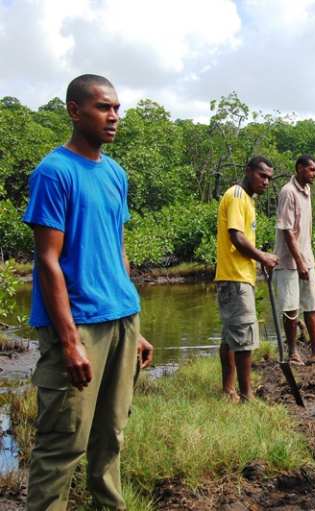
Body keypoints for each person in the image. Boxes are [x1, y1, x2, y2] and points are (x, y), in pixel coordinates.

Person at [22, 74, 154, 511]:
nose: (113, 116)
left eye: (116, 108)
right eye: (103, 107)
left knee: (111, 436)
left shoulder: (116, 174)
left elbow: (117, 250)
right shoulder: (54, 172)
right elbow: (48, 261)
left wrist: (134, 325)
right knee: (63, 444)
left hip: (121, 320)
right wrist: (69, 342)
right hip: (79, 326)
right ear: (74, 111)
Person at [214, 156, 279, 403]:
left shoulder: (248, 200)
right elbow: (236, 237)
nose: (266, 182)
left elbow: (244, 242)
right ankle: (247, 395)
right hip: (235, 278)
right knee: (243, 341)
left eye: (269, 178)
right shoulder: (237, 196)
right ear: (248, 171)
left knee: (231, 337)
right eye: (262, 176)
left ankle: (228, 390)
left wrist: (259, 260)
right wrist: (263, 256)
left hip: (239, 276)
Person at [274, 155, 315, 365]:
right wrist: (299, 262)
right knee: (291, 308)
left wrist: (306, 260)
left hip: (306, 259)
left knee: (312, 305)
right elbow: (287, 231)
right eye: (312, 170)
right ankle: (293, 353)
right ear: (300, 169)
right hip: (288, 262)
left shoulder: (307, 190)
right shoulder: (288, 192)